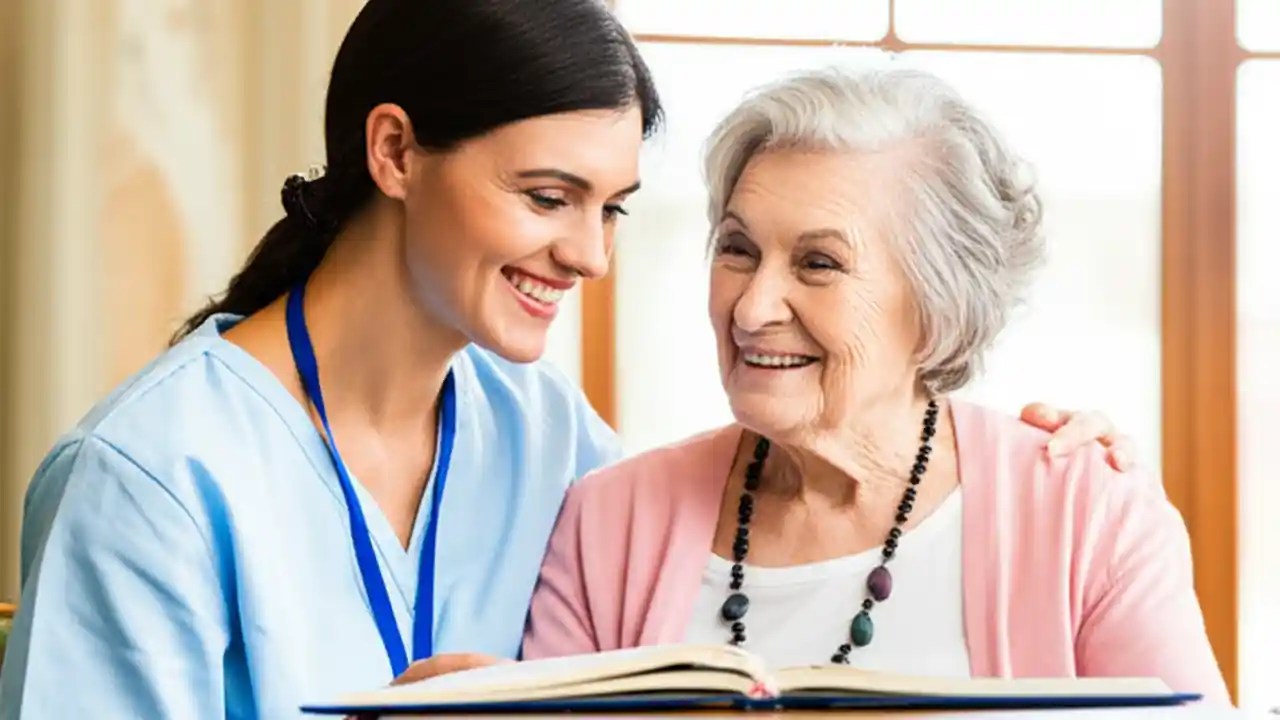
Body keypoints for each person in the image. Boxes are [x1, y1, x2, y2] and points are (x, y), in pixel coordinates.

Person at [0, 2, 1134, 717]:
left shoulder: (546, 438)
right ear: (393, 150)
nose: (587, 254)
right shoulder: (148, 477)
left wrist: (1006, 457)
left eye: (615, 209)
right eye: (546, 197)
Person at [521, 66, 1230, 705]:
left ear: (937, 303)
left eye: (818, 263)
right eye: (738, 249)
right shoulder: (607, 521)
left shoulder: (1083, 510)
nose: (751, 307)